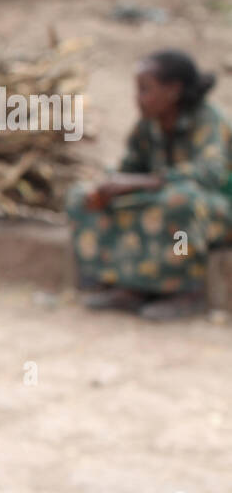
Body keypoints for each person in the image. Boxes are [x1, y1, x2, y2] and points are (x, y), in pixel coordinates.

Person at [67, 50, 231, 320]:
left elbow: (211, 174)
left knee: (180, 201)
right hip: (162, 201)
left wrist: (148, 181)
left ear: (173, 90)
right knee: (83, 196)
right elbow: (129, 169)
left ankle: (186, 292)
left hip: (217, 209)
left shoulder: (208, 120)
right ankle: (125, 284)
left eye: (145, 90)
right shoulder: (148, 125)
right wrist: (111, 184)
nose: (137, 98)